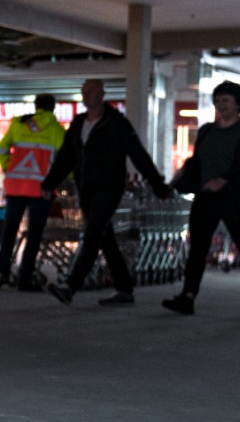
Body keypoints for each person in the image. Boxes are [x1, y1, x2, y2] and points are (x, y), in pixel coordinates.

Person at [41, 78, 171, 307]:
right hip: (86, 189)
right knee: (105, 238)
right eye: (83, 91)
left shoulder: (116, 123)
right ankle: (124, 288)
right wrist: (49, 183)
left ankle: (70, 286)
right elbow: (66, 157)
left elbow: (138, 154)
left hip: (109, 188)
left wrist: (157, 184)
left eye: (91, 91)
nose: (86, 95)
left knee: (92, 234)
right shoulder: (78, 123)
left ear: (102, 94)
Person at [163, 80, 240, 316]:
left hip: (235, 198)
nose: (221, 104)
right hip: (206, 196)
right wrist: (175, 183)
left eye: (226, 100)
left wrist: (223, 180)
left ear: (238, 104)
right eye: (218, 100)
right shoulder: (206, 131)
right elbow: (195, 162)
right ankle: (187, 296)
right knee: (198, 246)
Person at [0, 93, 64, 291]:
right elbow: (64, 161)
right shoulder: (56, 130)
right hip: (41, 190)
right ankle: (25, 276)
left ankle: (2, 272)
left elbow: (1, 150)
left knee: (9, 231)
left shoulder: (19, 124)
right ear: (53, 108)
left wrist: (9, 168)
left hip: (16, 186)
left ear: (36, 106)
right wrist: (63, 181)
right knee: (34, 234)